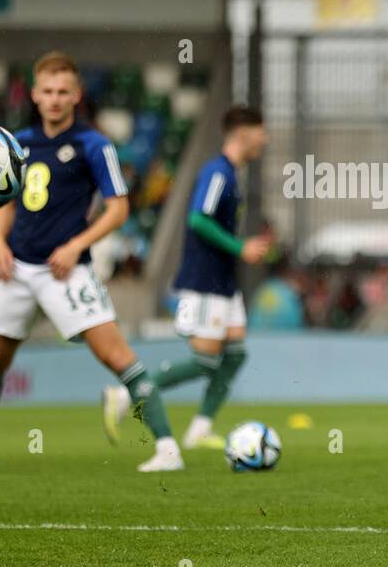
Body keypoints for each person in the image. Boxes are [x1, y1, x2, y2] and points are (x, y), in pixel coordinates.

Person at [0, 51, 179, 472]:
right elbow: (4, 199)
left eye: (64, 91)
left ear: (76, 95)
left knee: (117, 357)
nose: (55, 99)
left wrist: (77, 245)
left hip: (67, 272)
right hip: (16, 269)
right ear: (34, 94)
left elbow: (118, 209)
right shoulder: (15, 143)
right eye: (48, 91)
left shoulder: (92, 144)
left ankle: (167, 447)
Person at [108, 106, 270, 451]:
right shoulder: (217, 173)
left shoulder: (231, 174)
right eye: (261, 131)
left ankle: (200, 428)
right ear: (243, 133)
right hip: (205, 281)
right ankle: (127, 393)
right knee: (204, 361)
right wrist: (239, 247)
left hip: (225, 282)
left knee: (236, 354)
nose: (265, 139)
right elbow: (198, 219)